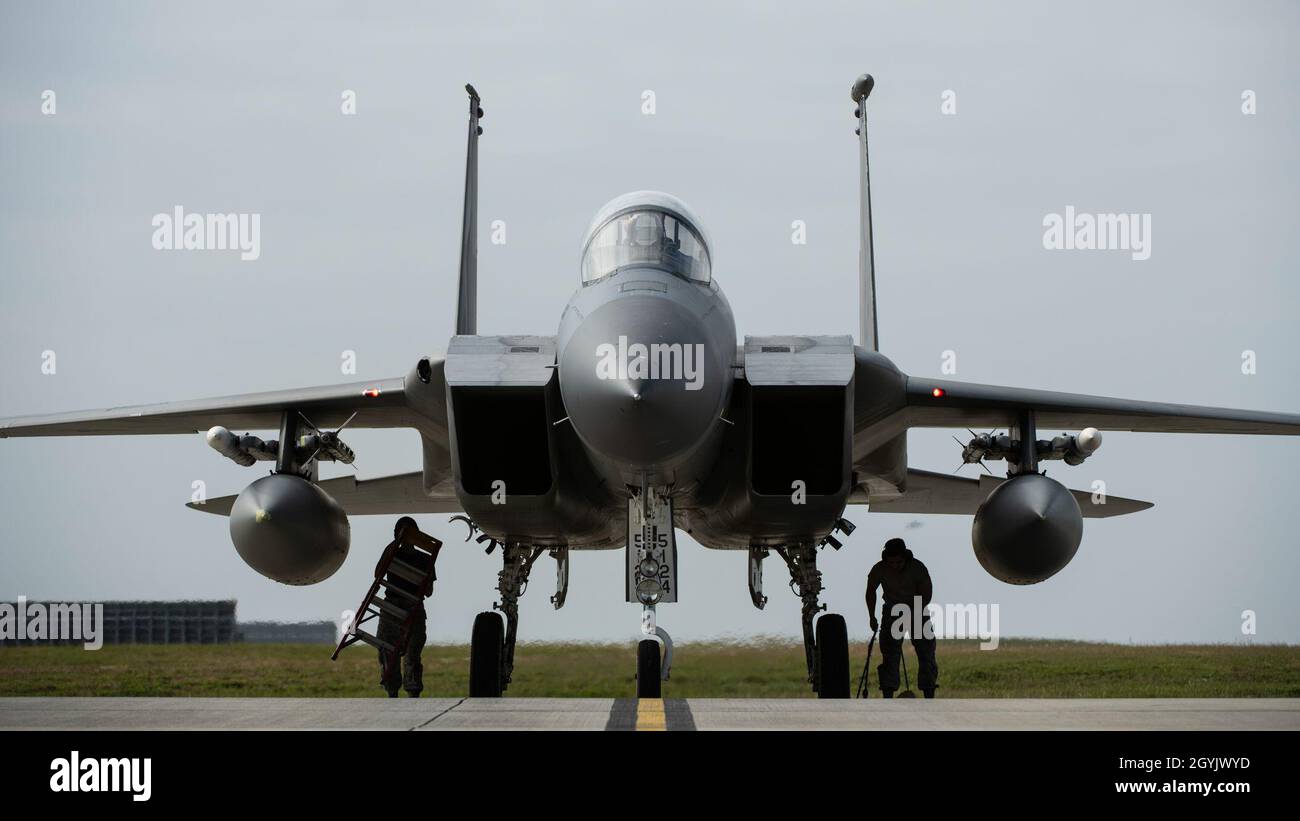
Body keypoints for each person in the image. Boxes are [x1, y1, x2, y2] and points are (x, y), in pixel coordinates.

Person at [865, 537, 938, 698]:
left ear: (905, 558)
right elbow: (870, 592)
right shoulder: (879, 569)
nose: (895, 566)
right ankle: (888, 693)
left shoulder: (918, 568)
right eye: (891, 563)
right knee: (890, 654)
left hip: (917, 610)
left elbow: (927, 594)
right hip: (892, 612)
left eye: (898, 562)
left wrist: (912, 611)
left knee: (926, 652)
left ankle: (929, 691)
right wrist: (872, 617)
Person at [376, 517, 440, 698]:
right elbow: (378, 574)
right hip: (393, 606)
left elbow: (428, 591)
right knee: (388, 653)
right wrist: (393, 546)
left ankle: (411, 692)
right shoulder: (392, 553)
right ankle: (393, 691)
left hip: (411, 608)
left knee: (412, 653)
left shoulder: (424, 559)